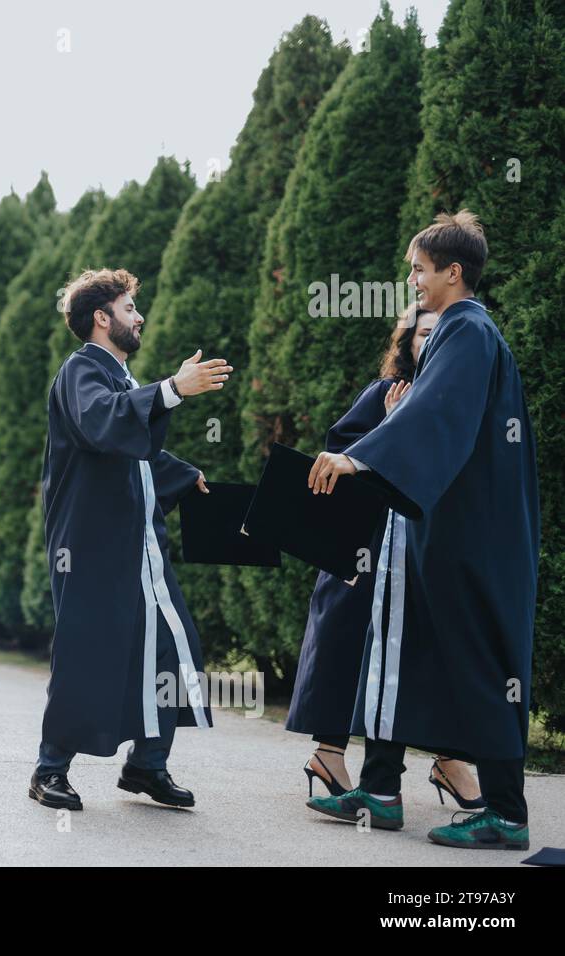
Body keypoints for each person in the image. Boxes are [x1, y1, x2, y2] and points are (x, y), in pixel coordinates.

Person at [307, 211, 538, 850]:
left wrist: (361, 456)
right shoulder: (453, 333)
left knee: (484, 659)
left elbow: (440, 416)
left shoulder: (469, 330)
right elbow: (426, 412)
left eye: (419, 269)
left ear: (452, 273)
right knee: (401, 647)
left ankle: (508, 814)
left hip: (474, 536)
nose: (411, 278)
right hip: (441, 526)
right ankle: (381, 790)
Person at [29, 268, 230, 812]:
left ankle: (146, 765)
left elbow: (131, 454)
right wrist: (172, 389)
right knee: (87, 651)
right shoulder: (80, 373)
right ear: (102, 317)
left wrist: (184, 475)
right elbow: (103, 427)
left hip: (141, 548)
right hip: (91, 548)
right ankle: (49, 769)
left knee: (171, 644)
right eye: (129, 308)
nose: (139, 317)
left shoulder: (121, 380)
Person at [288, 304, 483, 808]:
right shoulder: (384, 394)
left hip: (432, 550)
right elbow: (338, 457)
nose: (429, 343)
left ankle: (449, 760)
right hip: (370, 549)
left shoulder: (458, 402)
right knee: (352, 648)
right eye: (421, 334)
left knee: (430, 653)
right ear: (407, 343)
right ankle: (335, 757)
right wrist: (393, 427)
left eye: (437, 335)